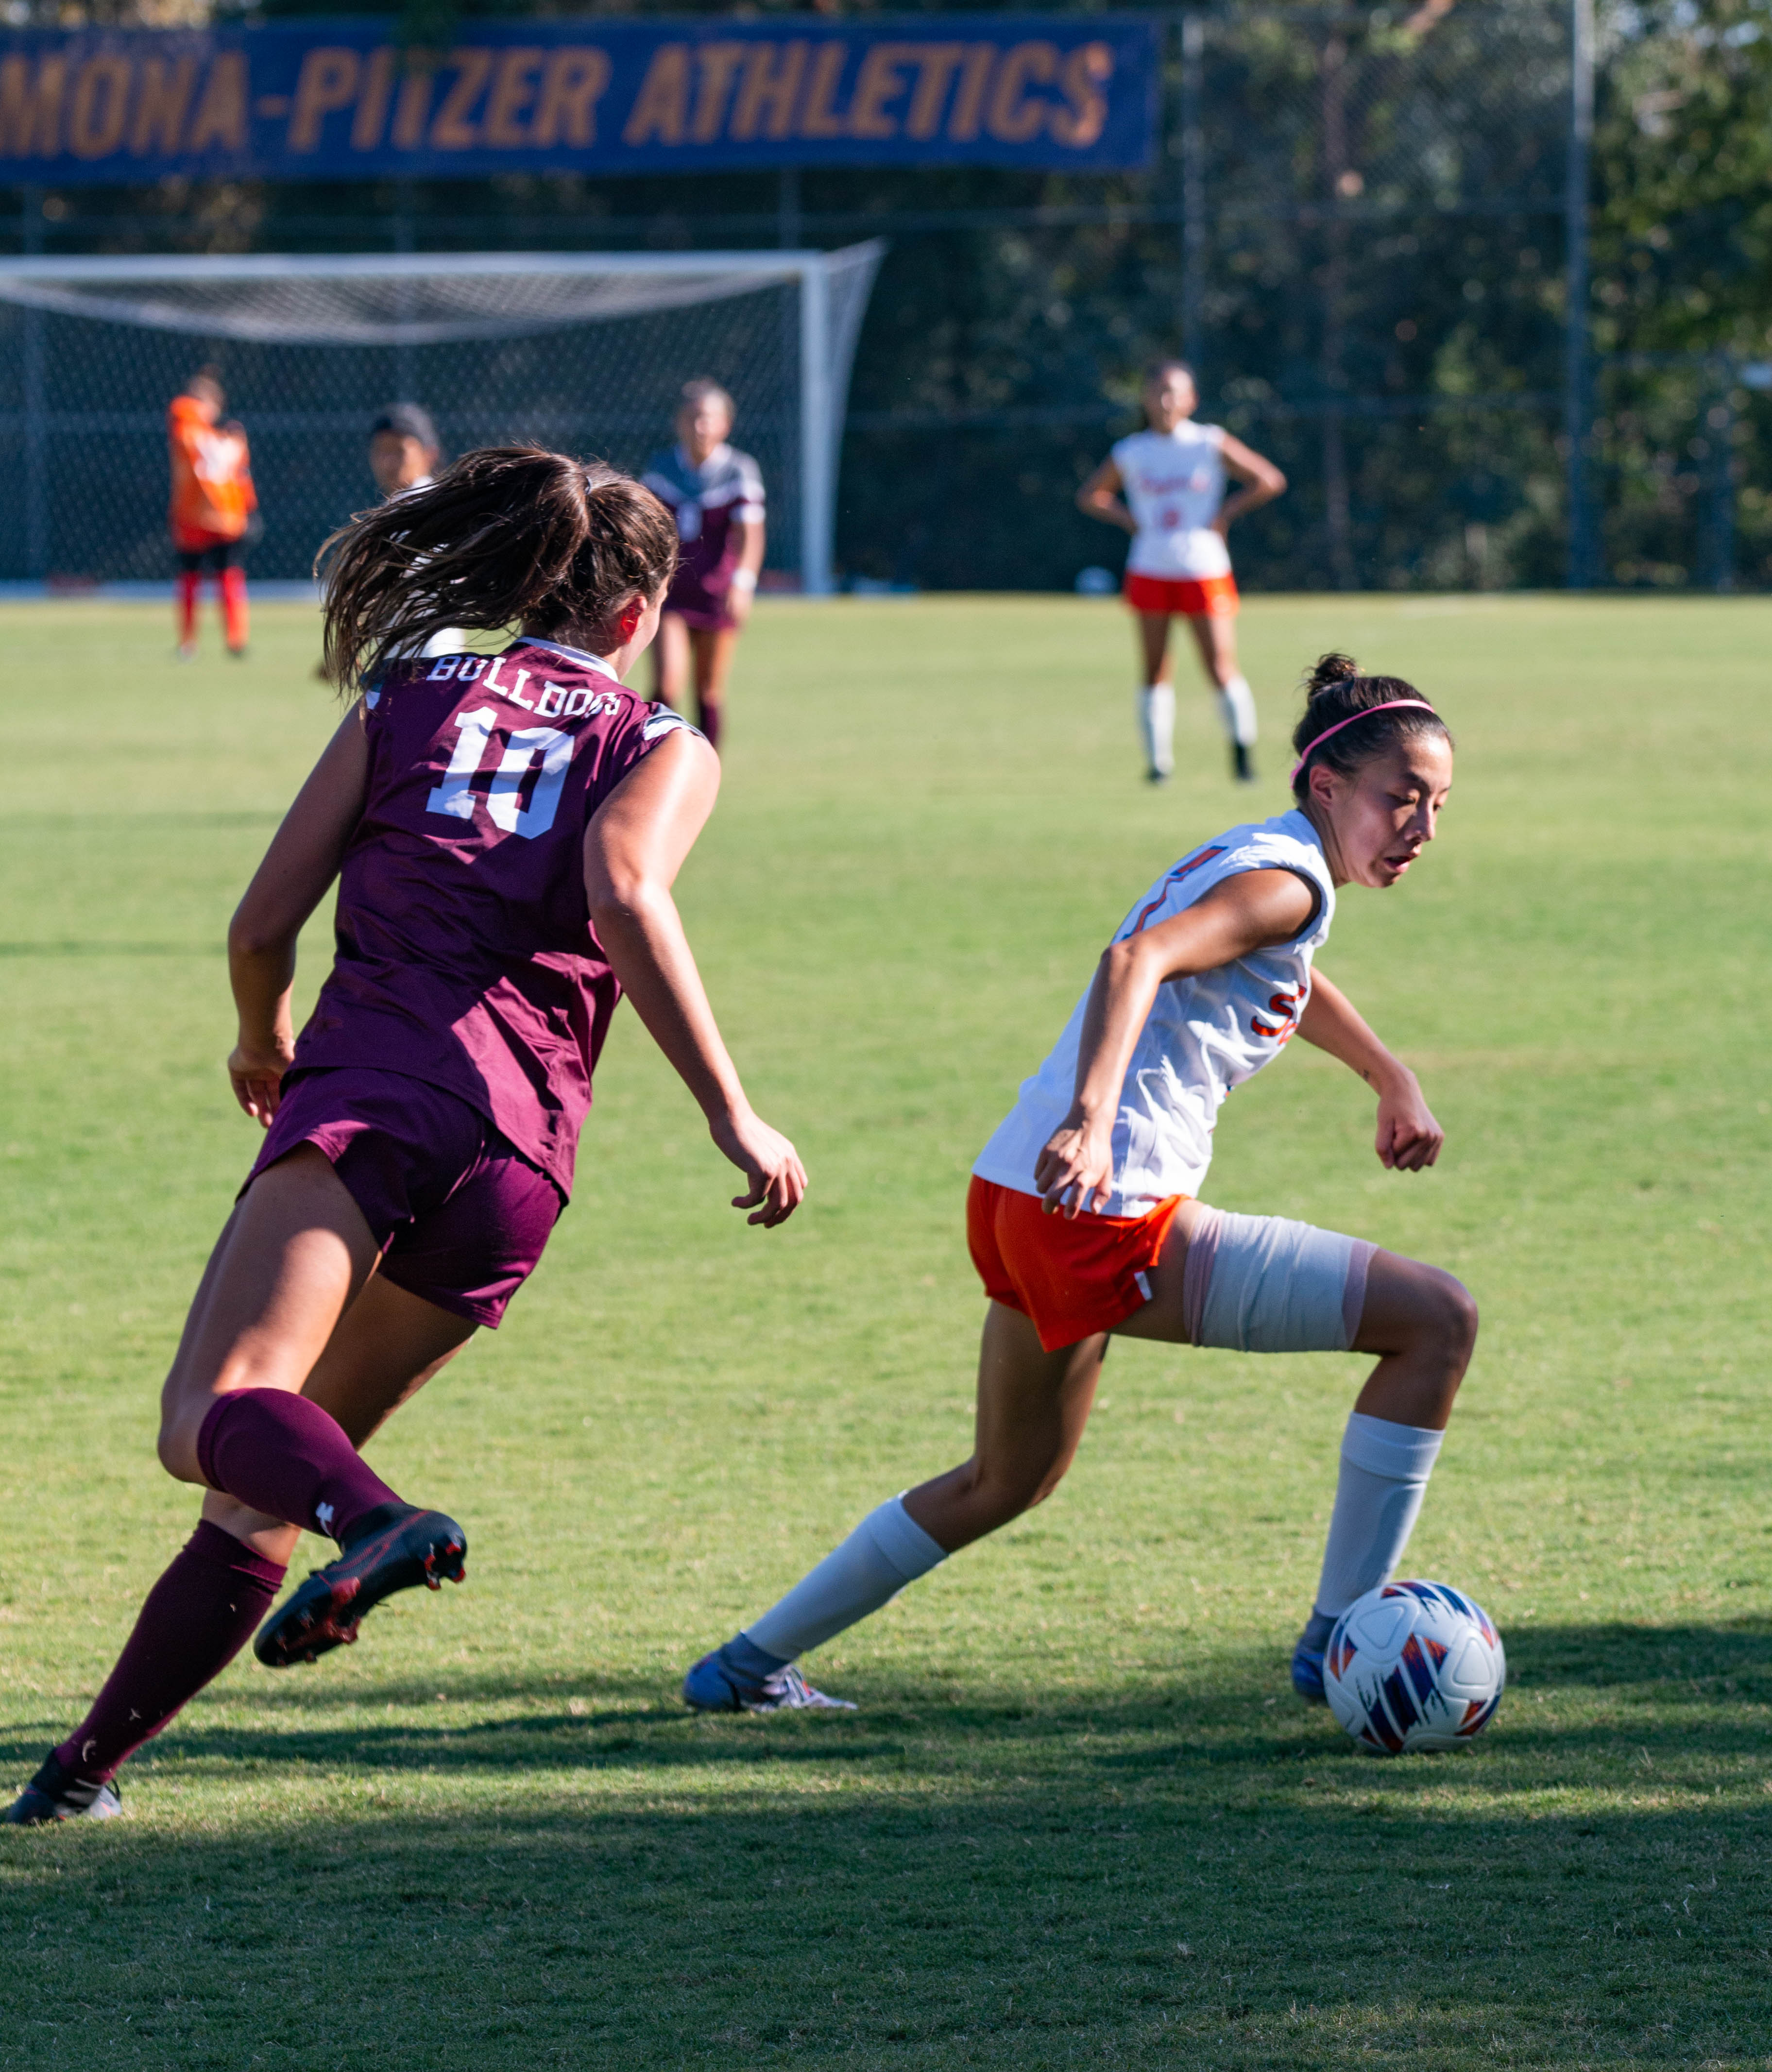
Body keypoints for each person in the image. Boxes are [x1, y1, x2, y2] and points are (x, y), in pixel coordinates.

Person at [5, 446, 806, 1826]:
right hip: (521, 1161)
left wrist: (261, 1039)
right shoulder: (666, 741)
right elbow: (622, 887)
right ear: (637, 615)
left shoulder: (409, 693)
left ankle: (378, 1524)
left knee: (210, 1420)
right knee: (282, 1468)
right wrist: (733, 1115)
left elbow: (263, 925)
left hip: (378, 1093)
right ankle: (82, 1775)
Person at [685, 655, 1473, 1716]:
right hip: (1105, 1212)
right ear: (1330, 786)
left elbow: (1278, 963)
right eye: (1402, 797)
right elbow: (1135, 959)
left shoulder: (1273, 862)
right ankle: (1337, 1638)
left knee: (1003, 1480)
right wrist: (1094, 1118)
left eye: (1438, 803)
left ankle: (739, 1667)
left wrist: (1388, 1070)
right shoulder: (1286, 879)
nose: (1422, 822)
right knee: (1436, 1321)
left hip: (1016, 1196)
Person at [1077, 359, 1286, 786]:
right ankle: (1159, 766)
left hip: (1203, 567)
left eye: (1174, 391)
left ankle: (1242, 758)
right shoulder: (1132, 451)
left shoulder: (1208, 442)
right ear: (1145, 398)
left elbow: (1268, 479)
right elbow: (1092, 495)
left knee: (1220, 666)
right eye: (1157, 391)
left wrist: (1224, 514)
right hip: (1150, 566)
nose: (1165, 400)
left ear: (1191, 399)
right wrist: (1127, 518)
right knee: (1155, 670)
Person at [642, 379, 766, 752]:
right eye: (693, 418)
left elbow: (751, 535)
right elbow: (645, 529)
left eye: (708, 418)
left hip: (718, 595)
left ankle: (704, 770)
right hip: (672, 594)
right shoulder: (661, 467)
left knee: (708, 691)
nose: (700, 426)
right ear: (679, 422)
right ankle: (647, 763)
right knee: (667, 684)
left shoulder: (739, 469)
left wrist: (743, 584)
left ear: (725, 424)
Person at [168, 368, 257, 659]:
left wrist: (248, 507)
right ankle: (188, 641)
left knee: (228, 578)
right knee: (190, 579)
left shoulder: (227, 436)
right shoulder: (187, 426)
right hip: (194, 515)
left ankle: (236, 639)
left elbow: (240, 476)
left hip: (224, 518)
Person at [367, 403, 465, 658]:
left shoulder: (431, 505)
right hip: (403, 650)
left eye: (399, 451)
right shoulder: (398, 507)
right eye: (380, 451)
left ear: (429, 454)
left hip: (428, 651)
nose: (388, 461)